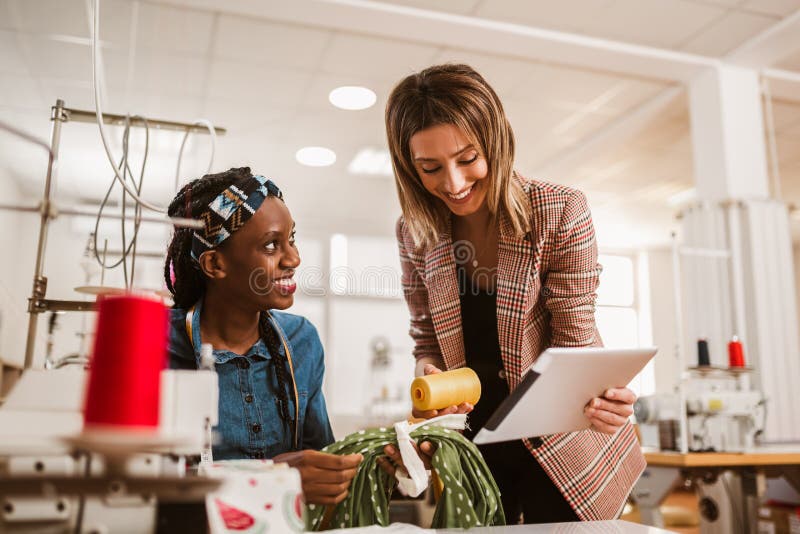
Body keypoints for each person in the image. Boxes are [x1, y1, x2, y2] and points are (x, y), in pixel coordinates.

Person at [382, 64, 645, 523]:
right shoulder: (414, 233)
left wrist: (600, 397)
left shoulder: (559, 210)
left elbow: (574, 342)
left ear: (497, 143)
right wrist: (431, 377)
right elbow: (427, 341)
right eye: (430, 167)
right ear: (410, 167)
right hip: (475, 445)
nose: (454, 183)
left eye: (468, 159)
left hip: (562, 440)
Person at [165, 167, 361, 506]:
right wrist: (272, 479)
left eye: (292, 239)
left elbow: (321, 460)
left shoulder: (301, 341)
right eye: (271, 245)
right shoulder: (157, 343)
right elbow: (139, 484)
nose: (294, 258)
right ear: (214, 265)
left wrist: (380, 455)